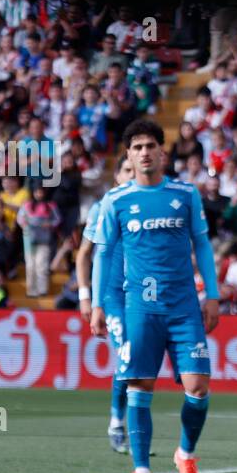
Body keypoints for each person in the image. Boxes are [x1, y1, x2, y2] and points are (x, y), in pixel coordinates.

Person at [90, 120, 219, 473]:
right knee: (139, 384)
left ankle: (185, 454)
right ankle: (142, 472)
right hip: (140, 308)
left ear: (162, 151)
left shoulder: (186, 194)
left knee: (197, 386)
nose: (144, 152)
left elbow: (203, 246)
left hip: (183, 307)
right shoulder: (116, 200)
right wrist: (97, 303)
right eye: (137, 147)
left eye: (151, 145)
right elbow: (103, 254)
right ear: (129, 155)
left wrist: (211, 294)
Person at [77, 154, 135, 453]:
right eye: (127, 170)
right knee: (127, 352)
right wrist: (87, 296)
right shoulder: (102, 208)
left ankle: (135, 428)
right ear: (117, 176)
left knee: (139, 361)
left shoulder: (148, 207)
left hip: (141, 295)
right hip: (112, 296)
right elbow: (84, 254)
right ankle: (116, 423)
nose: (132, 174)